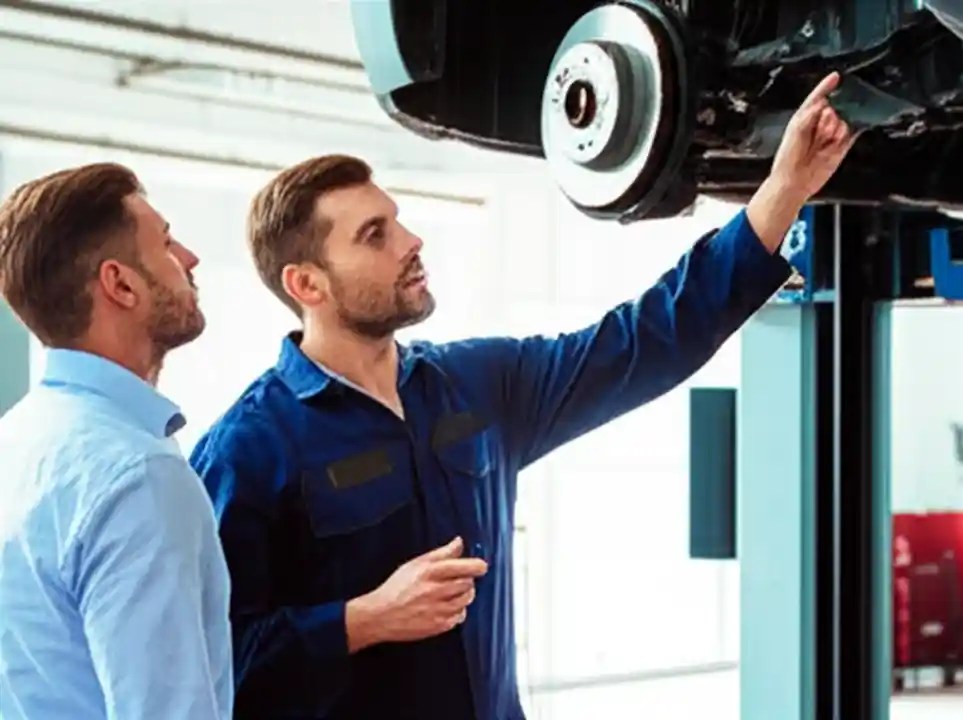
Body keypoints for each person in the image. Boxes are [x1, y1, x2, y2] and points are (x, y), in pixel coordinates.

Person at [190, 72, 856, 719]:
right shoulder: (246, 451)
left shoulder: (477, 386)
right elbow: (208, 666)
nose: (411, 241)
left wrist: (784, 188)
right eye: (375, 235)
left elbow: (646, 341)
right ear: (307, 284)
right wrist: (361, 621)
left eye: (397, 221)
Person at [0, 163, 232, 719]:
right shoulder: (137, 475)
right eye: (168, 243)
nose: (190, 259)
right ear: (120, 283)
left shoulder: (18, 439)